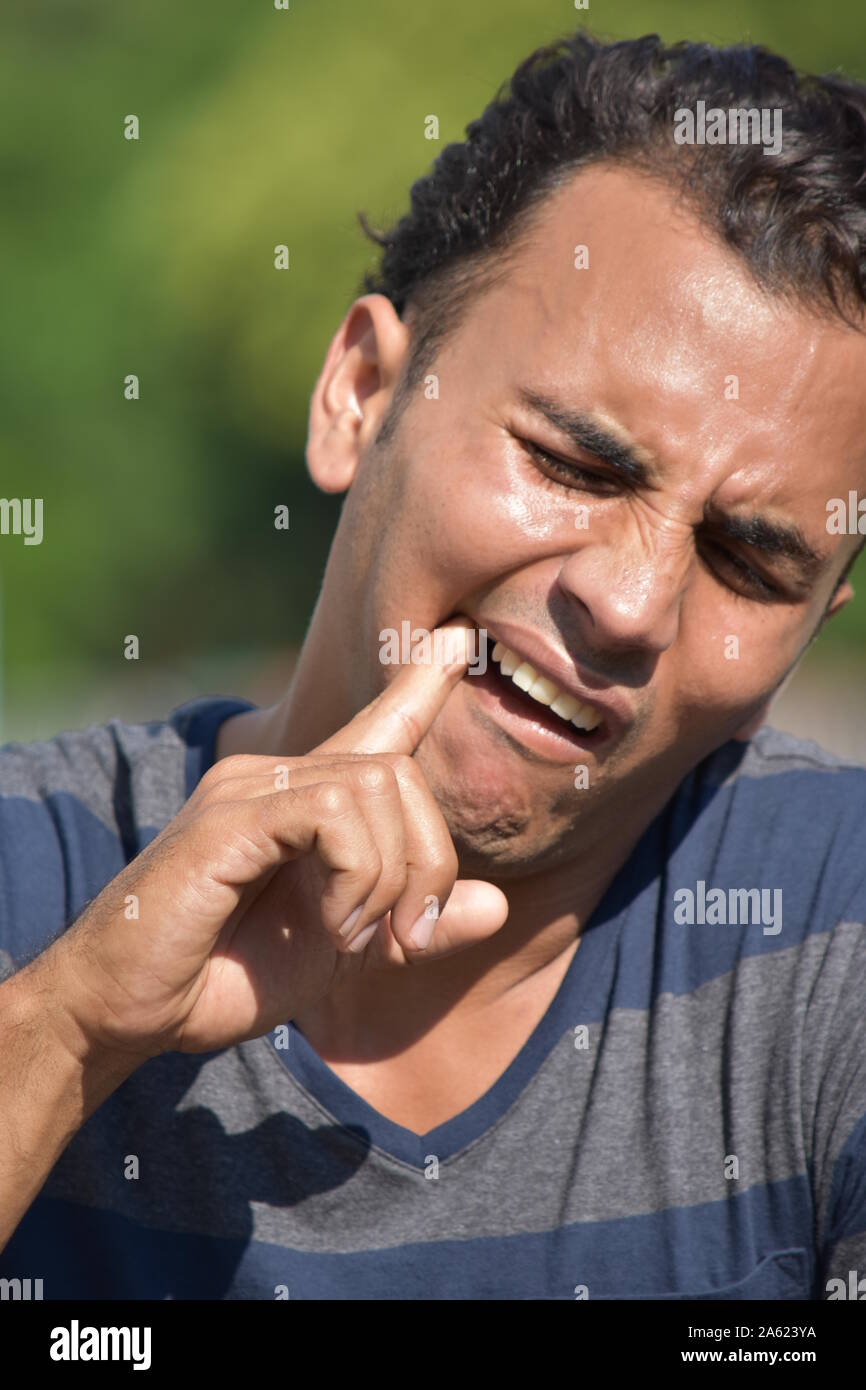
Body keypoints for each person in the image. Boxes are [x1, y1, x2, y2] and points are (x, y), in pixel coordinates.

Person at [1, 30, 865, 1301]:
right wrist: (68, 1027)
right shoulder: (33, 883)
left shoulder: (830, 944)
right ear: (359, 395)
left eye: (747, 560)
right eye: (573, 464)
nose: (629, 604)